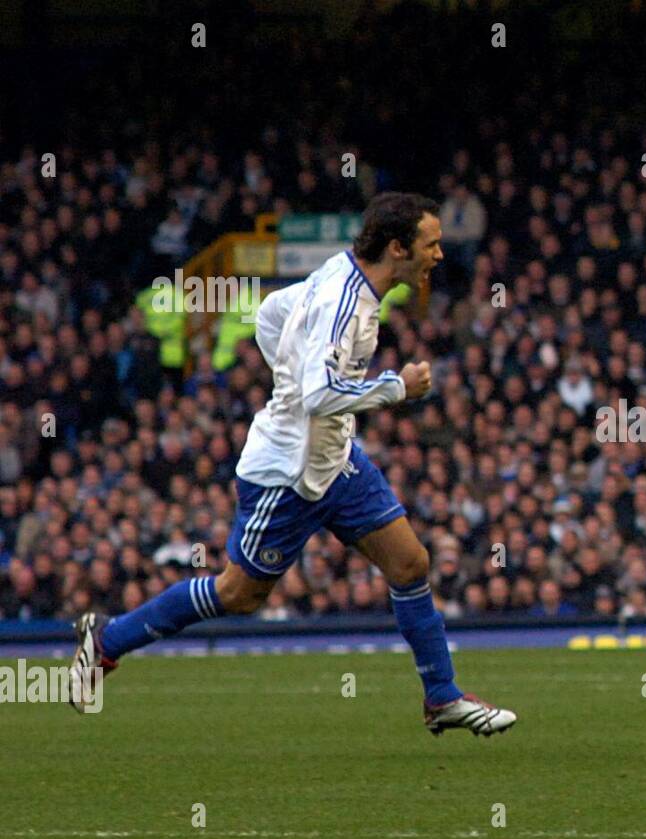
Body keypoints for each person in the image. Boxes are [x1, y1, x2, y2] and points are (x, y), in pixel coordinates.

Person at [69, 192, 517, 738]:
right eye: (431, 244)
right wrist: (397, 387)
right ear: (398, 248)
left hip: (335, 459)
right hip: (287, 475)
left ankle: (442, 696)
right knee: (239, 593)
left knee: (409, 564)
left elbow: (270, 315)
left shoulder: (344, 276)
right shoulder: (344, 302)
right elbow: (318, 394)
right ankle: (107, 641)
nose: (439, 255)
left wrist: (290, 375)